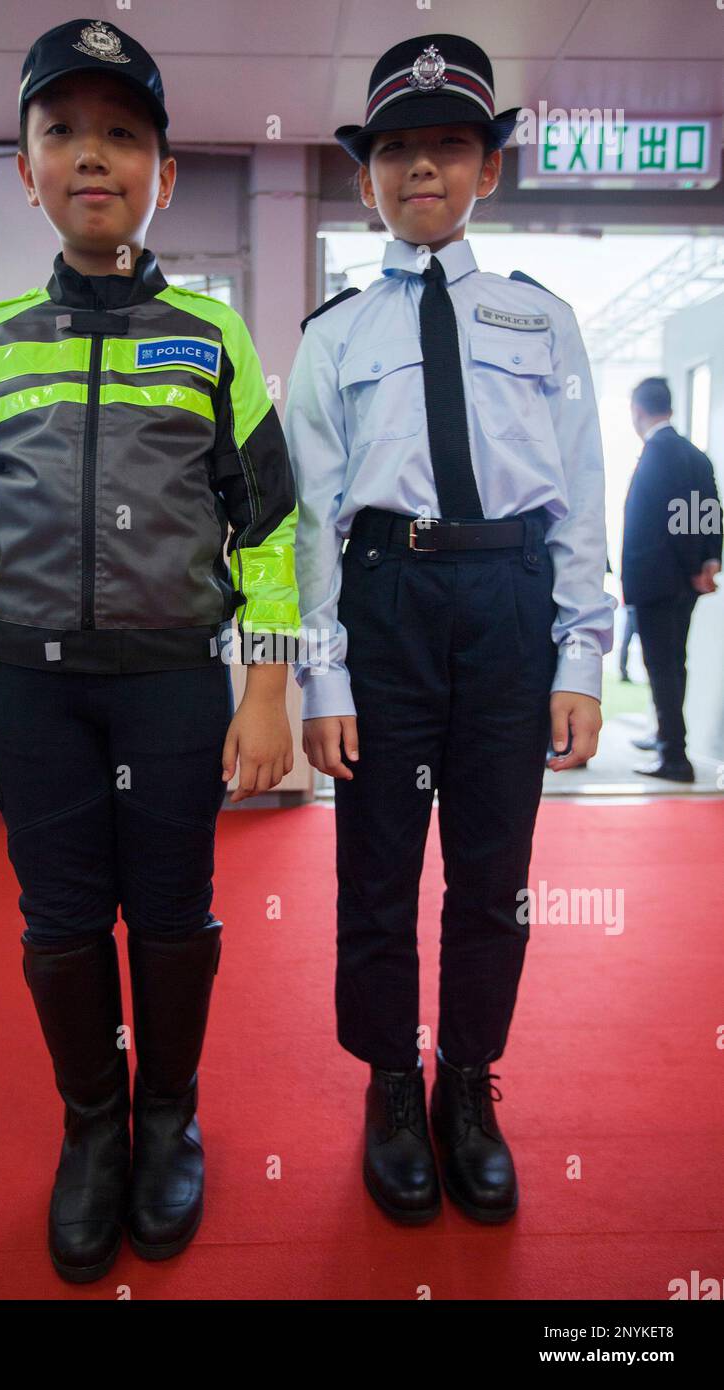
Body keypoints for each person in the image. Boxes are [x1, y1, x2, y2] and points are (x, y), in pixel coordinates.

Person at [0, 18, 301, 1282]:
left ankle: (168, 1118)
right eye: (63, 131)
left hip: (177, 691)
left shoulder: (214, 339)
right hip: (32, 696)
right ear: (23, 168)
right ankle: (91, 1129)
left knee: (174, 916)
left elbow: (270, 528)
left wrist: (268, 684)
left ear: (162, 174)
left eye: (122, 134)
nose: (92, 156)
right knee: (62, 921)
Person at [284, 33, 616, 1225]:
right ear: (366, 172)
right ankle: (388, 1081)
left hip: (510, 607)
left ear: (488, 169)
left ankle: (467, 1084)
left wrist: (580, 651)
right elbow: (311, 522)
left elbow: (576, 489)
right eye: (397, 149)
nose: (421, 166)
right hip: (384, 605)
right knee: (375, 868)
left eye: (449, 145)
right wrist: (317, 676)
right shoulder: (332, 336)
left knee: (493, 873)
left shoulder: (544, 322)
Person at [622, 377, 722, 782]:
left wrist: (690, 565)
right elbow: (710, 510)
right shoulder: (695, 456)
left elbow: (673, 526)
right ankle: (666, 735)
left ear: (637, 411)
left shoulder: (657, 454)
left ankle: (674, 756)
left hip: (660, 582)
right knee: (672, 663)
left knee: (662, 665)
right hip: (684, 583)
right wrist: (709, 561)